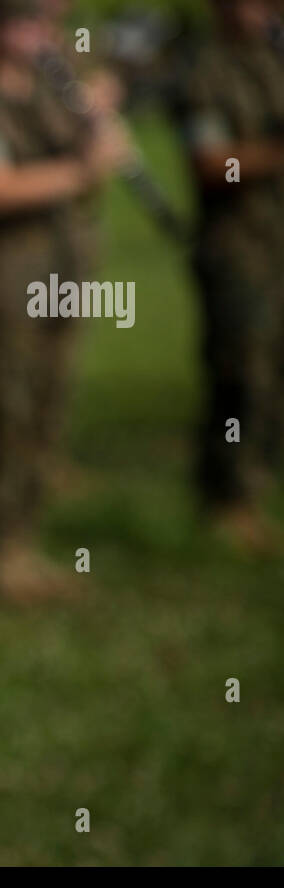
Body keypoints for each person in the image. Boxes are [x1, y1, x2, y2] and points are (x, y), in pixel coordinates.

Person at [0, 0, 128, 601]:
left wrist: (101, 118)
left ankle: (25, 541)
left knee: (46, 407)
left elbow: (94, 159)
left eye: (46, 23)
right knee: (4, 409)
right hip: (6, 276)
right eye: (24, 21)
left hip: (63, 268)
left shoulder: (53, 90)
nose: (40, 35)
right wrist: (82, 167)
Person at [175, 0, 284, 552]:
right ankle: (228, 494)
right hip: (239, 246)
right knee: (242, 371)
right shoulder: (205, 70)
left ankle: (260, 479)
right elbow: (216, 164)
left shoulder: (274, 56)